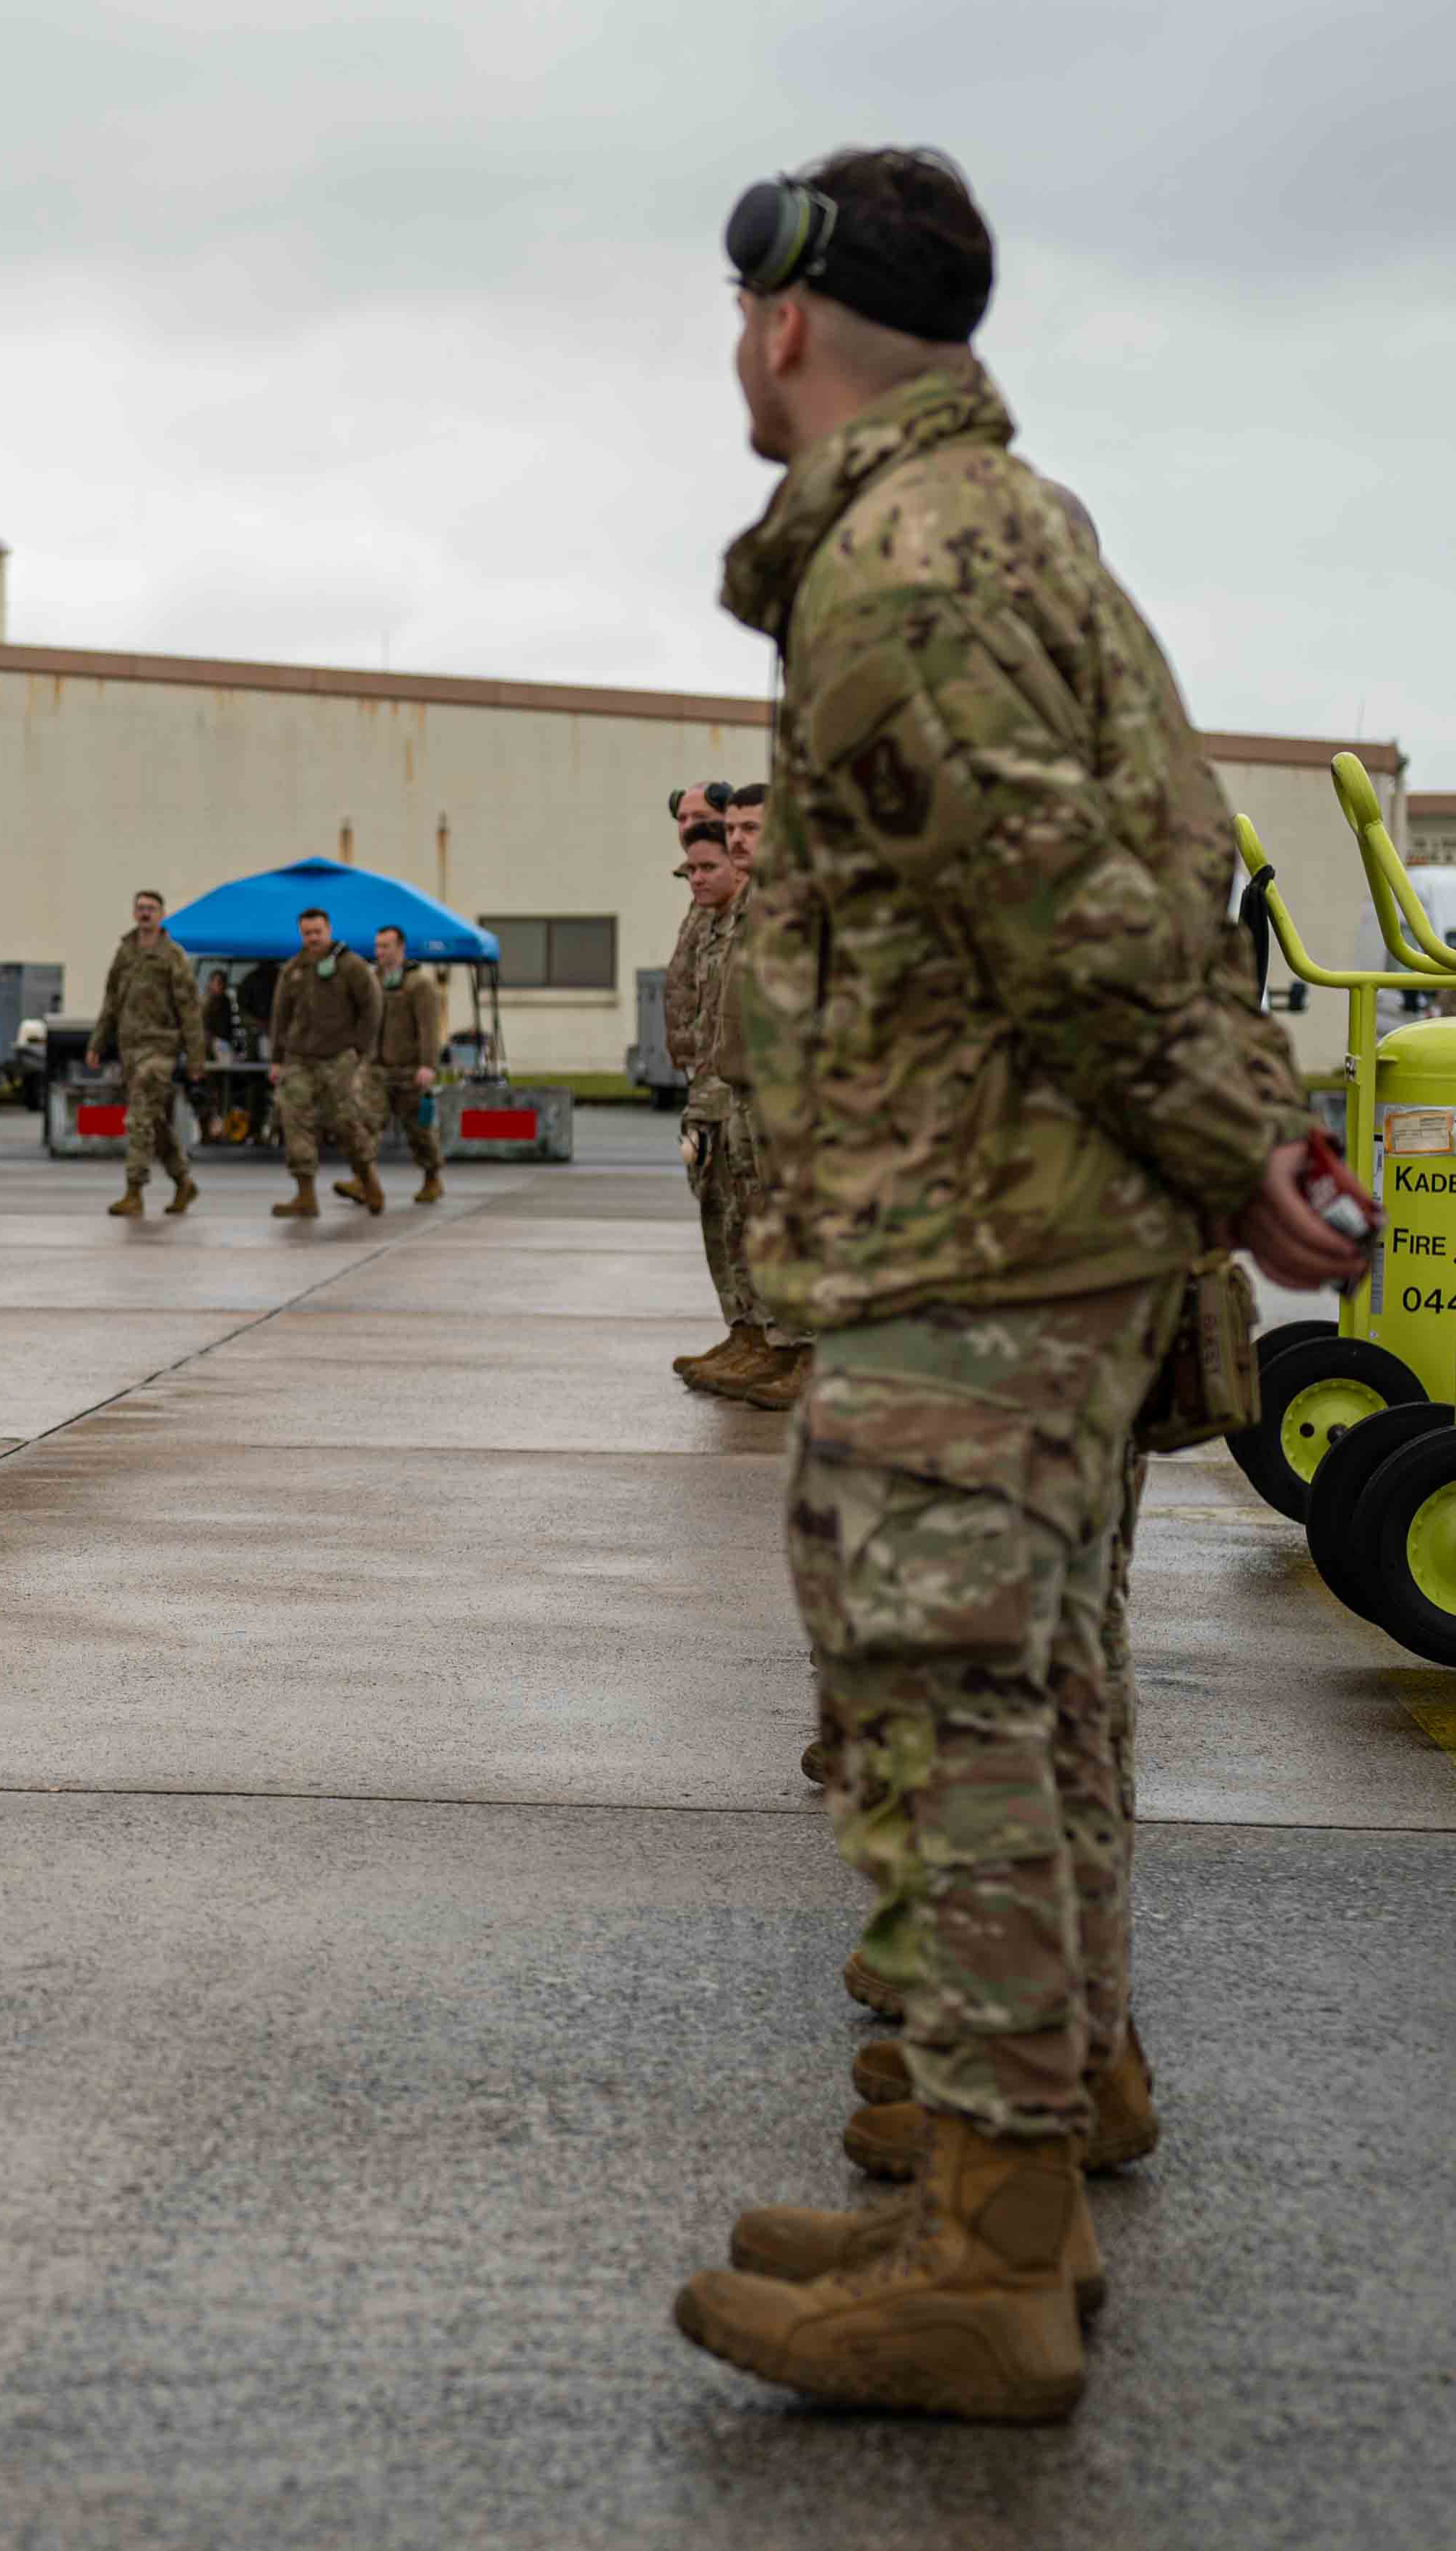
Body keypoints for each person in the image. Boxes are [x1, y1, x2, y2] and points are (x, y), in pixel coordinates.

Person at [667, 147, 1359, 2423]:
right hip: (1033, 1229)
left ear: (782, 327)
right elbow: (1162, 858)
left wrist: (1231, 1148)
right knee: (1029, 1695)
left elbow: (1062, 899)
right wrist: (1231, 1132)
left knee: (937, 1702)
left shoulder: (896, 561)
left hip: (970, 1235)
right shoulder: (1018, 527)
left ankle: (983, 2252)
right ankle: (1019, 2147)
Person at [662, 794, 796, 1403]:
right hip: (720, 1083)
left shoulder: (779, 907)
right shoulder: (719, 915)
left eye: (747, 829)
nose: (732, 839)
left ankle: (789, 1344)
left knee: (770, 1214)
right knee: (729, 1211)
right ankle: (752, 1334)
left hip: (772, 1087)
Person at [83, 891, 196, 1219]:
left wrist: (197, 1059)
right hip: (130, 1049)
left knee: (138, 1118)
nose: (146, 914)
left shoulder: (173, 956)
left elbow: (189, 1009)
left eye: (152, 909)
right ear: (134, 914)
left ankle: (134, 1192)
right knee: (154, 1121)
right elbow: (111, 1002)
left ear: (162, 914)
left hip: (160, 1049)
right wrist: (97, 1044)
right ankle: (183, 1181)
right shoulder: (126, 952)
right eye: (141, 908)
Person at [264, 906, 381, 1218]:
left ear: (329, 930)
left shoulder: (351, 966)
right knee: (294, 1120)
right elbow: (281, 1016)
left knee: (345, 1121)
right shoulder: (293, 969)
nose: (313, 938)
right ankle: (305, 1195)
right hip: (299, 1058)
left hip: (339, 1056)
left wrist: (359, 1049)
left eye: (317, 932)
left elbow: (371, 1007)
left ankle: (368, 1179)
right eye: (307, 933)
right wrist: (277, 1058)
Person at [369, 923, 448, 1205]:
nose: (380, 952)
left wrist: (428, 1065)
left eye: (386, 947)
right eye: (378, 946)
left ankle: (432, 1177)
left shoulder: (419, 984)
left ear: (401, 948)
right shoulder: (373, 981)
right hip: (377, 1070)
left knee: (418, 1130)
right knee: (366, 1124)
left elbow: (429, 1027)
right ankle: (364, 1179)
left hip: (409, 1070)